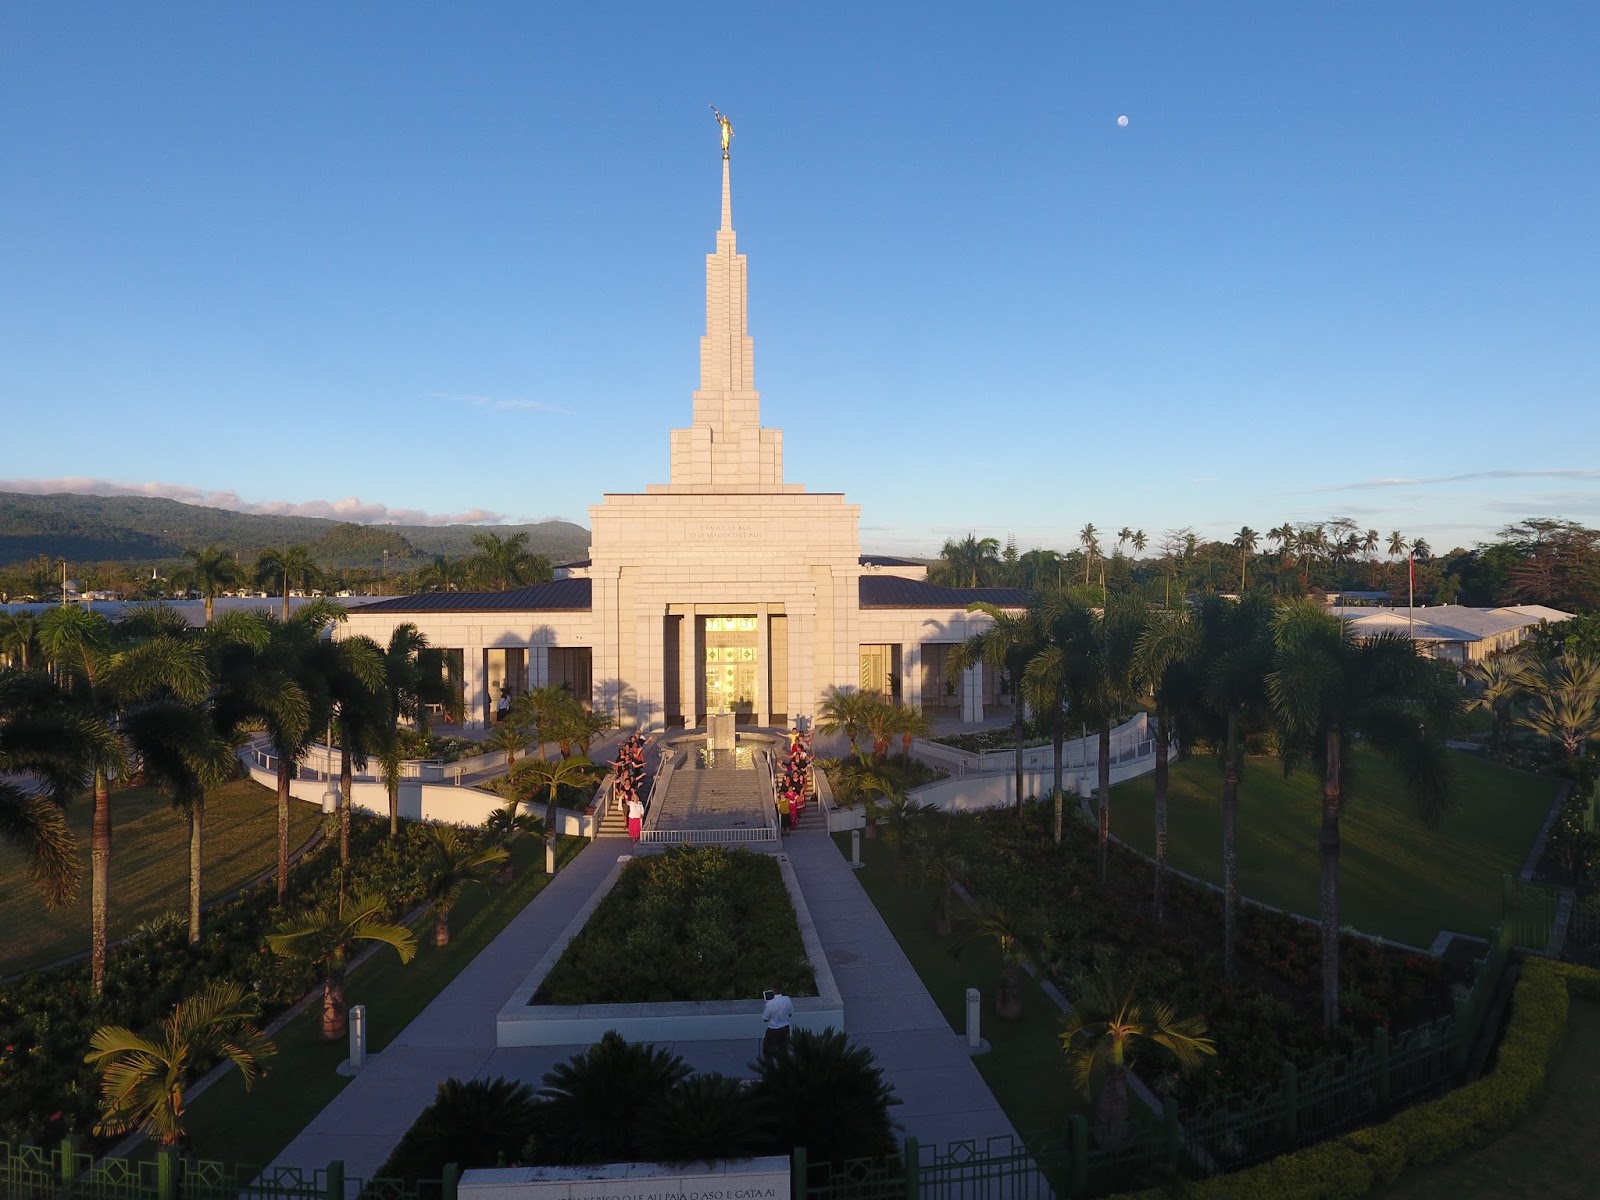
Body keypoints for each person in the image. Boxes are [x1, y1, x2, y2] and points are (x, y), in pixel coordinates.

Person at [761, 987, 793, 1060]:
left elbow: (765, 1019)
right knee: (784, 1050)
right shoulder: (787, 999)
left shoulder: (770, 1004)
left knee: (767, 1051)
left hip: (773, 1030)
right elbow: (790, 1013)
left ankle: (770, 1068)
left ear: (773, 991)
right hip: (785, 1029)